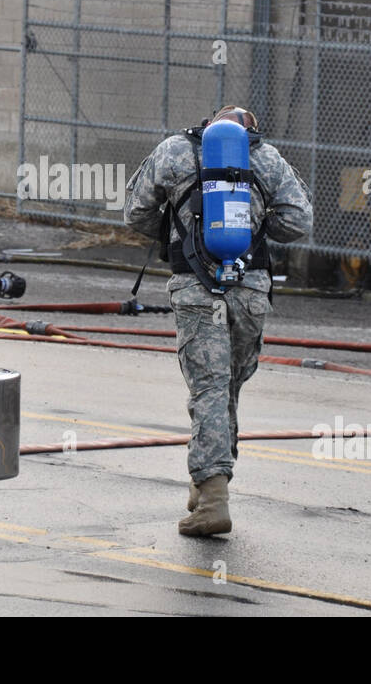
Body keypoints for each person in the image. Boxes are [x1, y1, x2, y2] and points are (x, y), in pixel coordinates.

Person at [124, 106, 313, 536]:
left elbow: (135, 212)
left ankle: (212, 497)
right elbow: (298, 222)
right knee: (226, 387)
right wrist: (253, 225)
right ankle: (206, 483)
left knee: (209, 388)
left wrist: (180, 229)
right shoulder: (266, 158)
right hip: (251, 290)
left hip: (196, 286)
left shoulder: (174, 151)